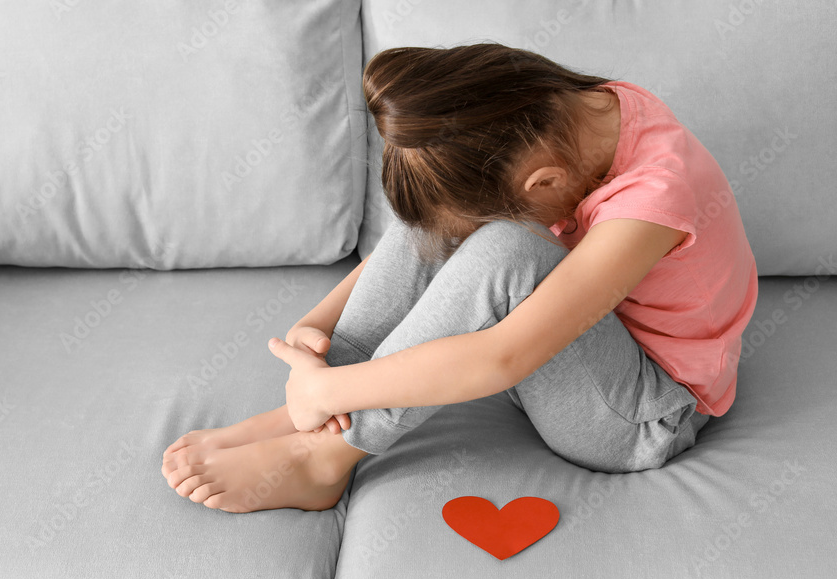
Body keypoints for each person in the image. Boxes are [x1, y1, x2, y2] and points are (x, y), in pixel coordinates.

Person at [162, 43, 758, 513]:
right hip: (580, 353)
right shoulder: (567, 115)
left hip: (642, 416)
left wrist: (329, 392)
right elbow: (430, 235)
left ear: (544, 184)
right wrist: (319, 325)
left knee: (502, 248)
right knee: (437, 213)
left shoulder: (654, 199)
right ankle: (316, 406)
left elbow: (502, 359)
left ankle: (327, 454)